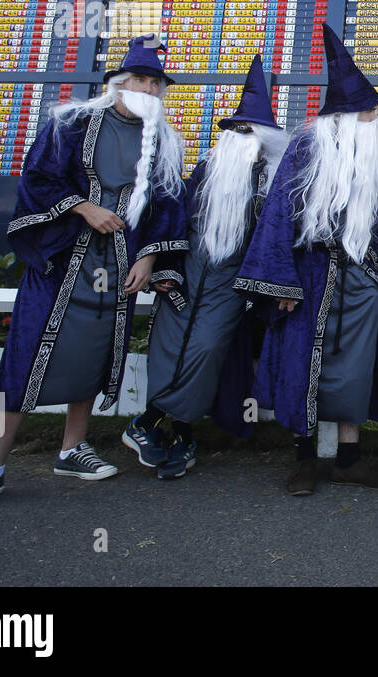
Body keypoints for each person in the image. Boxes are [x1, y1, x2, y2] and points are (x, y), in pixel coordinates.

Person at [0, 36, 188, 518]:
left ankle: (72, 450)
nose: (150, 88)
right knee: (29, 351)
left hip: (119, 263)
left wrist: (149, 260)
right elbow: (39, 179)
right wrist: (84, 208)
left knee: (93, 350)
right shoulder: (71, 123)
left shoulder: (164, 141)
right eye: (142, 80)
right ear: (118, 83)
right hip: (63, 258)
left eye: (157, 82)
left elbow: (169, 207)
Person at [234, 25, 378, 497]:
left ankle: (348, 459)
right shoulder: (307, 149)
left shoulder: (365, 160)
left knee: (355, 365)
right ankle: (305, 459)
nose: (375, 122)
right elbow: (278, 216)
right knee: (301, 363)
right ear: (345, 117)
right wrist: (280, 286)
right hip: (308, 276)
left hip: (358, 277)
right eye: (369, 114)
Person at [124, 54, 290, 479]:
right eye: (235, 128)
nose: (240, 136)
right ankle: (178, 436)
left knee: (208, 349)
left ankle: (147, 424)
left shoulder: (272, 184)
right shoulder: (204, 170)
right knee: (168, 350)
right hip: (188, 272)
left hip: (230, 283)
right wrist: (162, 267)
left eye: (249, 130)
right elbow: (169, 218)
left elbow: (272, 241)